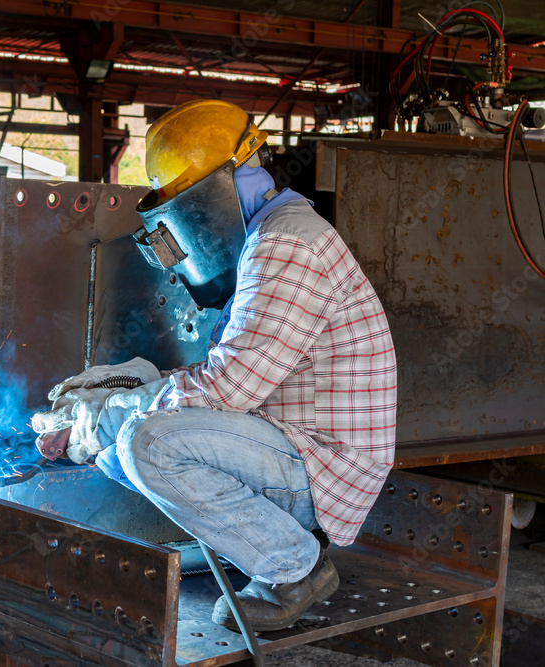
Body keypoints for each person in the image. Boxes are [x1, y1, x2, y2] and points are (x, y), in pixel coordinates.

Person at [32, 99, 397, 632]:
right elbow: (228, 375)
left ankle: (296, 568)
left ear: (215, 192)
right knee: (119, 446)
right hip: (296, 446)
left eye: (182, 206)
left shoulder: (286, 244)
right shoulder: (268, 237)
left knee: (145, 443)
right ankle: (272, 549)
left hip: (325, 467)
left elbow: (227, 388)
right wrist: (129, 392)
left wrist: (115, 411)